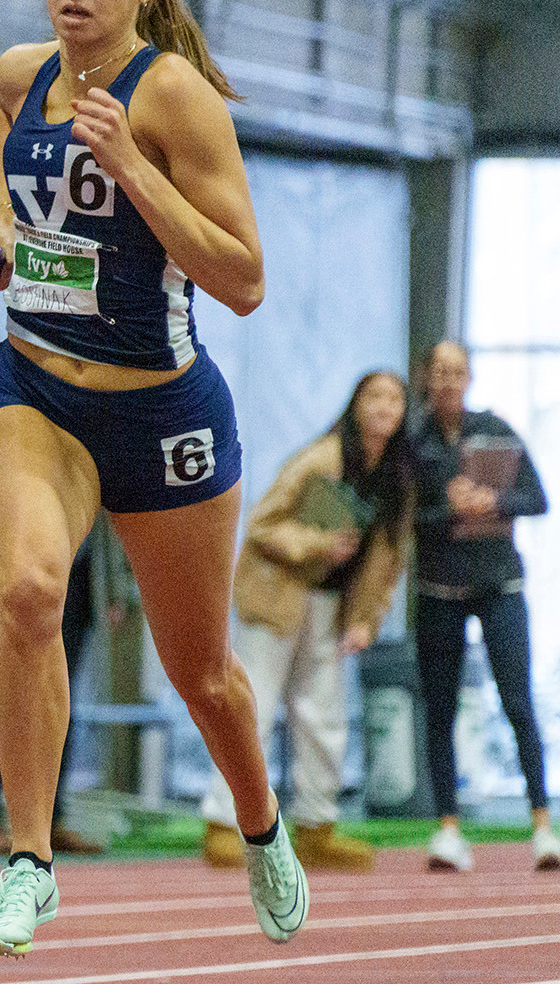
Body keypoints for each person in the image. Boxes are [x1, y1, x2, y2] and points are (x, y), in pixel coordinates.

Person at [0, 0, 305, 955]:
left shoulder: (178, 100)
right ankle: (29, 862)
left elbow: (243, 281)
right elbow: (25, 216)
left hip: (161, 406)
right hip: (34, 390)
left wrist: (137, 167)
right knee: (29, 592)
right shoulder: (20, 76)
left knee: (204, 673)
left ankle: (261, 826)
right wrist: (5, 250)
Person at [199, 371, 414, 873]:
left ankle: (317, 828)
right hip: (277, 598)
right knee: (251, 708)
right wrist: (317, 544)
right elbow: (261, 524)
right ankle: (223, 824)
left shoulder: (397, 475)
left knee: (325, 720)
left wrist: (367, 620)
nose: (385, 406)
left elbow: (389, 560)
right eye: (375, 396)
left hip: (329, 609)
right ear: (355, 404)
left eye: (396, 399)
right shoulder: (321, 457)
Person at [410, 341, 560, 872]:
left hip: (499, 585)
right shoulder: (414, 443)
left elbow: (538, 500)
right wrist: (446, 510)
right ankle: (448, 830)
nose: (449, 381)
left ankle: (543, 826)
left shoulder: (497, 431)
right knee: (439, 709)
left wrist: (493, 501)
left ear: (470, 377)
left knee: (517, 700)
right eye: (440, 372)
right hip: (438, 591)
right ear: (427, 378)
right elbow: (405, 521)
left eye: (458, 371)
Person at [0, 468, 114, 858]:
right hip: (14, 581)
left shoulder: (98, 424)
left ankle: (50, 820)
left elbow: (110, 522)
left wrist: (115, 590)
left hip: (77, 582)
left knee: (62, 702)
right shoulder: (4, 417)